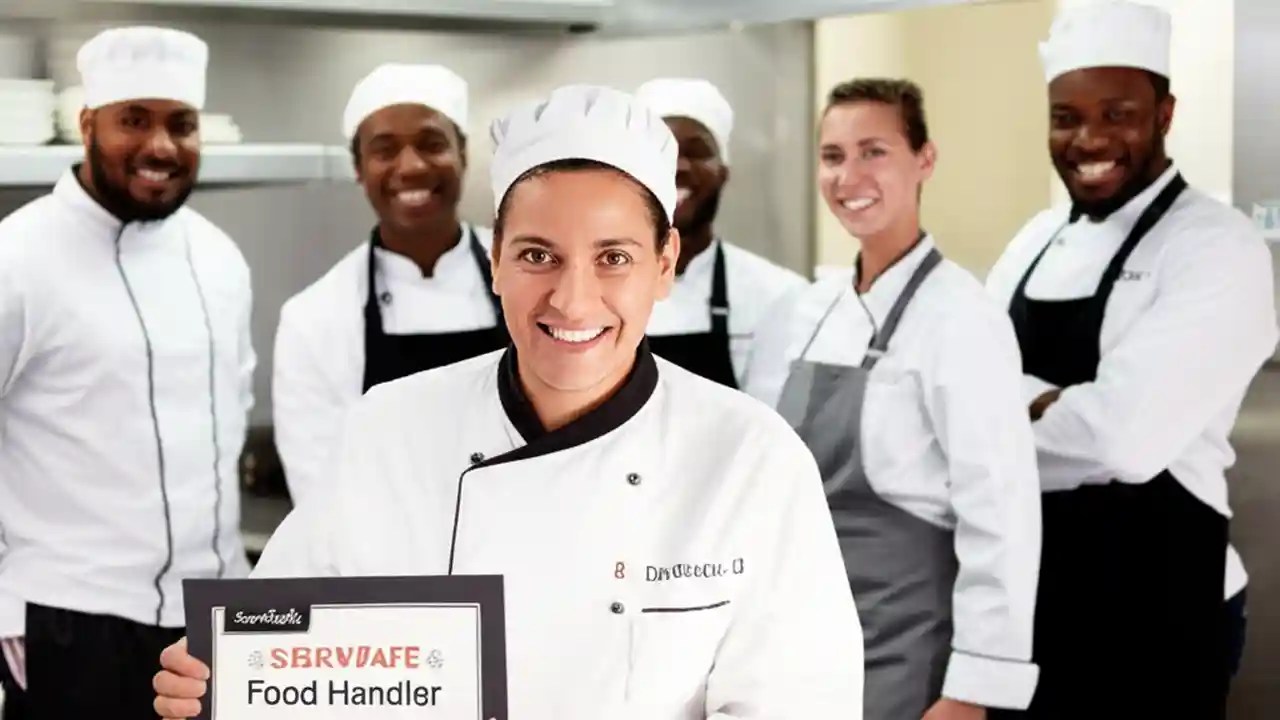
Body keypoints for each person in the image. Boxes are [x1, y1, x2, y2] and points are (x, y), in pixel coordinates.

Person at [152, 84, 864, 719]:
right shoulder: (388, 428)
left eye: (613, 257)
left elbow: (799, 702)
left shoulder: (752, 459)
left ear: (664, 264)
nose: (572, 298)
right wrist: (218, 676)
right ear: (495, 260)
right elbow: (287, 643)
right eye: (536, 255)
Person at [984, 2, 1278, 717]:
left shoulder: (1216, 246)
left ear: (1165, 113)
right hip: (1029, 603)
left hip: (1162, 609)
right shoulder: (1033, 238)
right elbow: (959, 382)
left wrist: (1001, 412)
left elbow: (1121, 438)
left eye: (1117, 113)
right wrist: (1051, 404)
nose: (1089, 138)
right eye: (1066, 116)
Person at [745, 78, 1041, 720]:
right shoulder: (802, 314)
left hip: (909, 650)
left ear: (923, 160)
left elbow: (1003, 515)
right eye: (832, 156)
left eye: (873, 151)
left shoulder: (963, 319)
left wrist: (972, 691)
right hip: (803, 642)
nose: (849, 175)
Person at [0, 26, 254, 719]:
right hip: (67, 622)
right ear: (88, 125)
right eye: (133, 120)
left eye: (181, 124)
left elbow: (232, 418)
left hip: (209, 619)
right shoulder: (17, 258)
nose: (161, 146)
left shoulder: (220, 258)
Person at [272, 63, 506, 506]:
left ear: (464, 154)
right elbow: (322, 500)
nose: (412, 166)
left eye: (432, 144)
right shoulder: (317, 317)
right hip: (392, 567)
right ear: (359, 168)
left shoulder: (534, 279)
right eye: (385, 150)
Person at [633, 78, 806, 389]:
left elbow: (775, 428)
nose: (679, 165)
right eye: (662, 150)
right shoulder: (594, 293)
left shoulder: (777, 296)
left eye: (697, 152)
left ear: (723, 173)